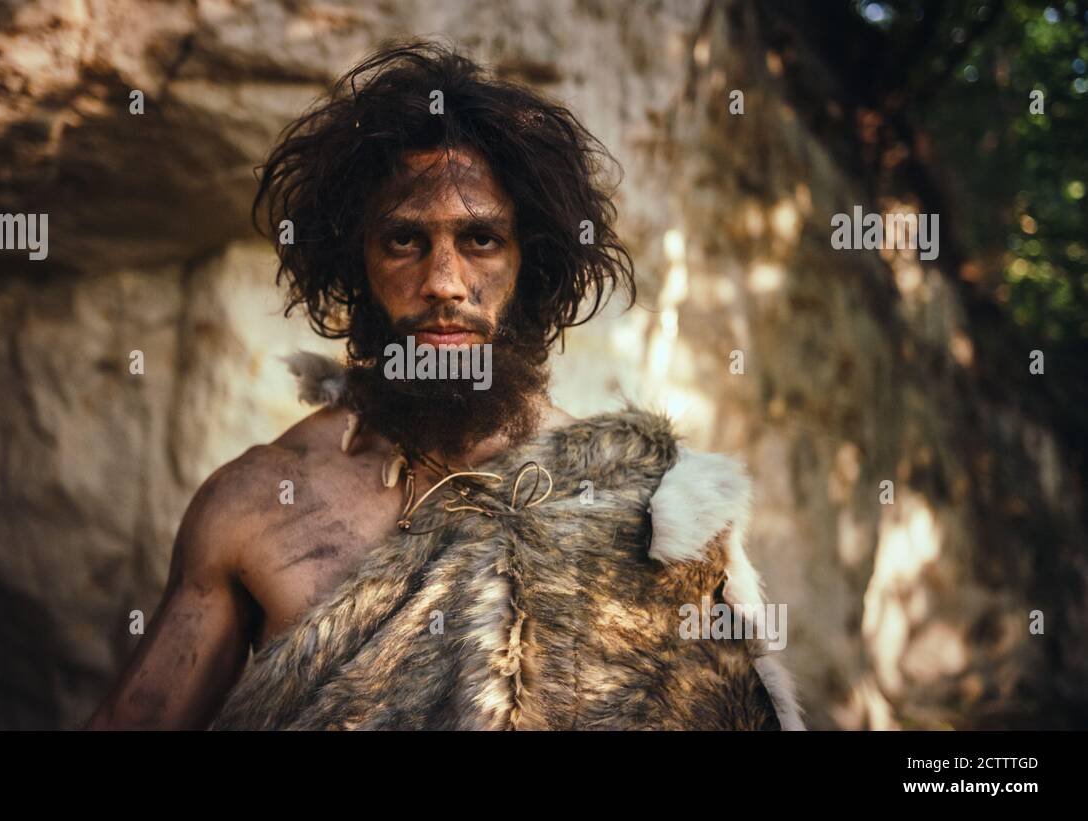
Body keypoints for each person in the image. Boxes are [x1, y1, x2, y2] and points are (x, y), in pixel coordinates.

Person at [87, 40, 801, 731]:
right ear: (355, 262)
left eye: (481, 239)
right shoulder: (256, 504)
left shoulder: (643, 512)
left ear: (531, 264)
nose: (443, 283)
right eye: (404, 240)